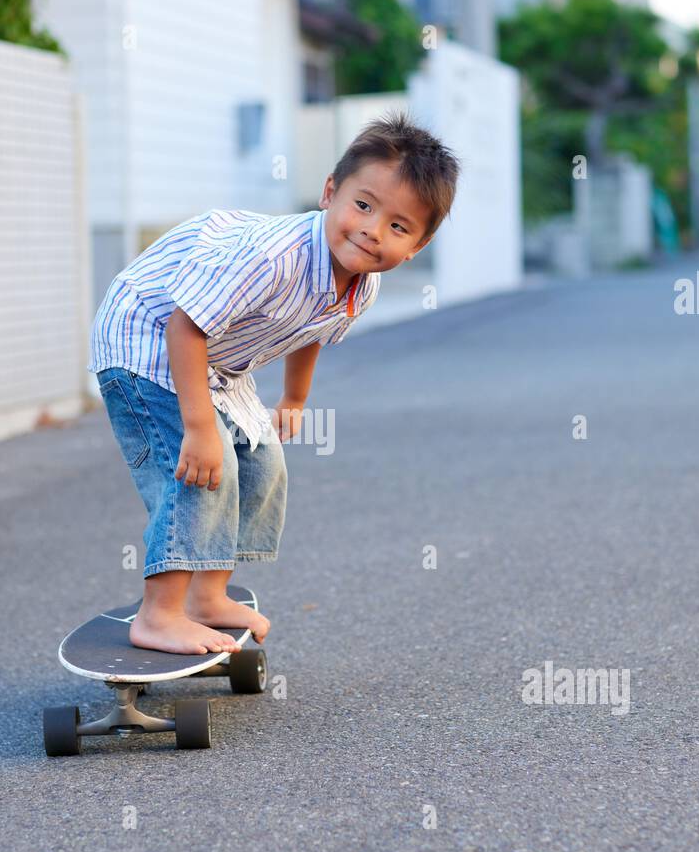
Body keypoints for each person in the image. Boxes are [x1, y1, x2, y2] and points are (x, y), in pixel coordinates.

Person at [87, 112, 461, 655]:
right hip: (147, 336)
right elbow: (183, 325)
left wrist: (294, 398)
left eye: (398, 227)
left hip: (216, 361)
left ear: (417, 247)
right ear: (330, 192)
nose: (372, 230)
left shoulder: (360, 285)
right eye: (363, 205)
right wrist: (197, 428)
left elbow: (309, 325)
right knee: (202, 469)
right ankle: (159, 615)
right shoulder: (274, 258)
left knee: (261, 458)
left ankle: (206, 597)